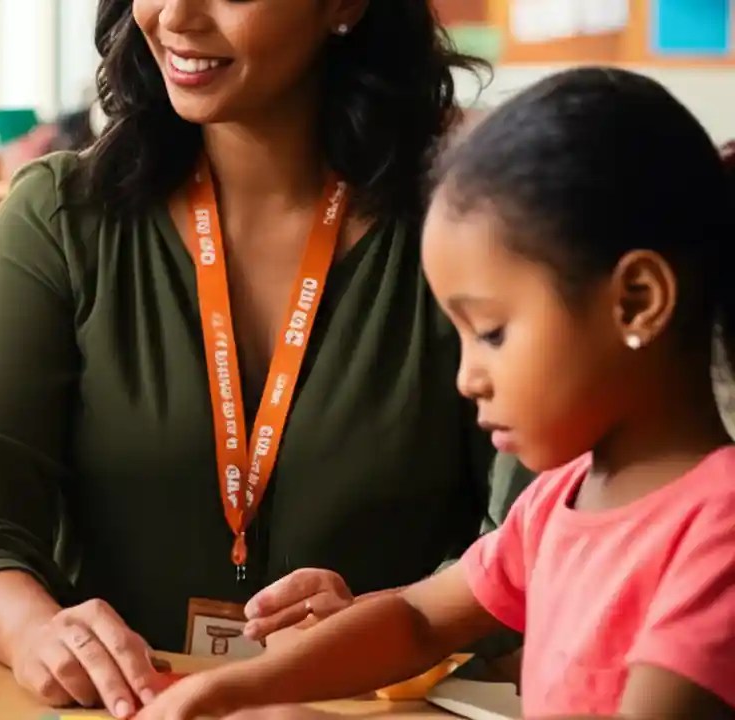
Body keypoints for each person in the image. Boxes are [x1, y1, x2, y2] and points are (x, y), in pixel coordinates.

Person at [0, 0, 531, 717]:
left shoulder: (471, 234)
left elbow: (533, 542)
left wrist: (393, 624)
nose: (176, 15)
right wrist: (37, 632)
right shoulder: (61, 220)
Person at [138, 67, 735, 720]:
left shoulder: (720, 530)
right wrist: (237, 688)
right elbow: (417, 620)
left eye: (492, 332)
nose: (466, 377)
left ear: (637, 301)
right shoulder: (557, 501)